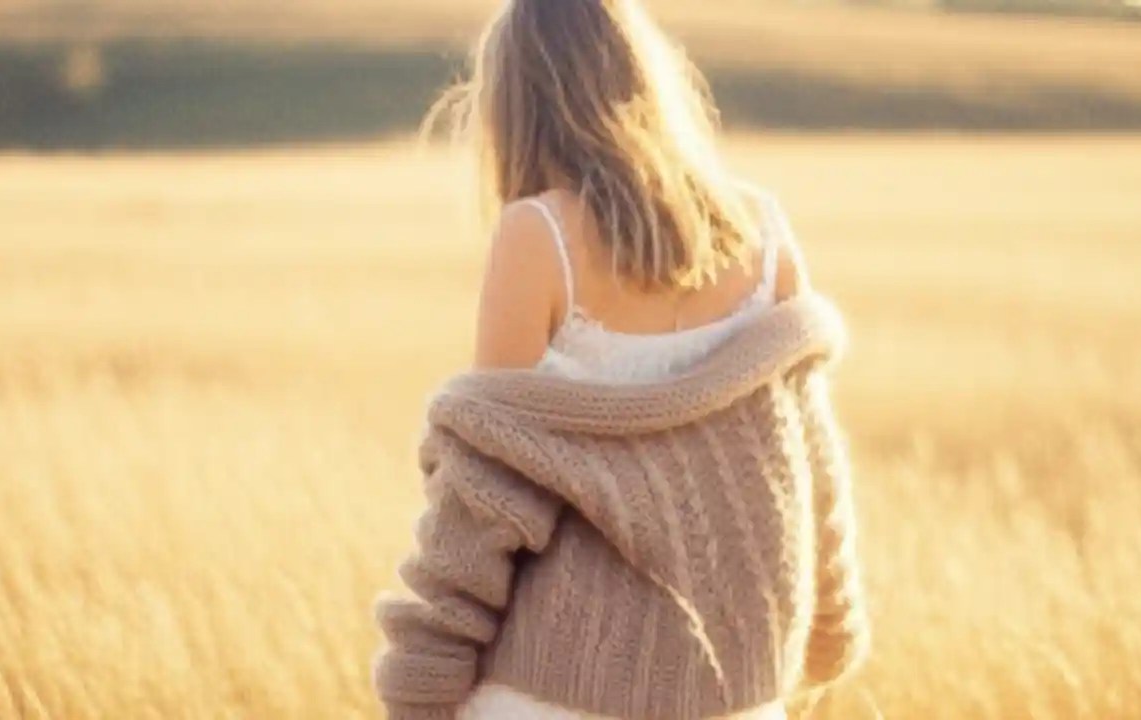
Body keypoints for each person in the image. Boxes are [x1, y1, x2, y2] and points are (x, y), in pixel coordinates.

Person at [372, 1, 869, 718]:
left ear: (521, 103)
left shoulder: (536, 234)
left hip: (554, 698)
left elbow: (484, 491)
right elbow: (810, 463)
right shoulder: (763, 228)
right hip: (738, 697)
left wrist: (419, 684)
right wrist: (829, 633)